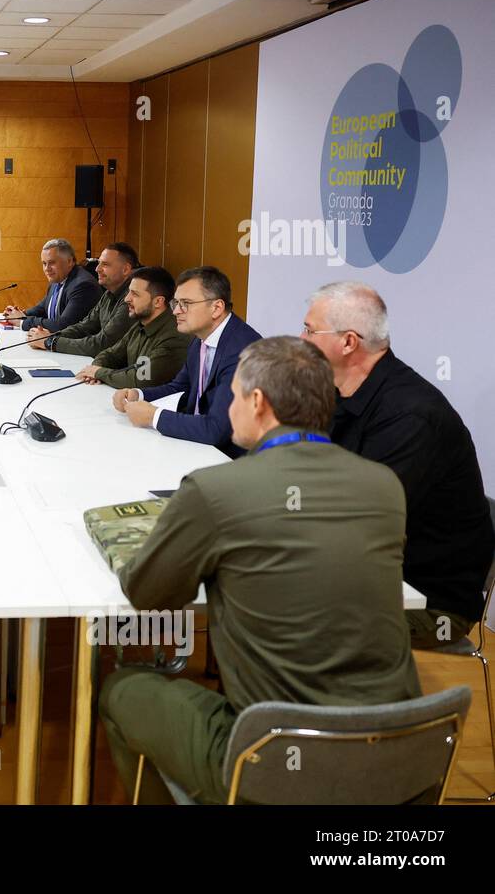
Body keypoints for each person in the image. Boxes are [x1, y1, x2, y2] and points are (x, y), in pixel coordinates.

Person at [100, 336, 421, 804]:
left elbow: (147, 595)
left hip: (274, 757)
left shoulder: (216, 489)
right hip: (401, 745)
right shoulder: (383, 485)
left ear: (257, 402)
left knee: (121, 688)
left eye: (231, 395)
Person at [302, 281, 494, 648]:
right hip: (370, 571)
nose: (301, 340)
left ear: (348, 342)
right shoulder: (342, 392)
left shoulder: (410, 415)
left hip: (428, 602)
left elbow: (356, 517)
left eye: (310, 331)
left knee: (276, 605)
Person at [111, 266, 262, 458]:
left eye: (186, 303)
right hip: (197, 446)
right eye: (176, 302)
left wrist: (153, 416)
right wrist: (138, 395)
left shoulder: (243, 350)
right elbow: (179, 386)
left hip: (228, 458)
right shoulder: (200, 339)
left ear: (216, 308)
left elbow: (216, 429)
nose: (175, 311)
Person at [76, 266, 188, 389]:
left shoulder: (174, 336)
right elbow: (110, 355)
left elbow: (140, 379)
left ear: (158, 302)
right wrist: (95, 369)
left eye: (135, 294)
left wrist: (98, 372)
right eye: (129, 292)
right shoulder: (141, 324)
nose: (126, 299)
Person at [41, 242, 138, 356]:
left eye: (105, 264)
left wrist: (51, 342)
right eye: (98, 263)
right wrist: (51, 337)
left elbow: (101, 344)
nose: (97, 269)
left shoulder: (131, 300)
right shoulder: (108, 294)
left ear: (125, 269)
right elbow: (84, 326)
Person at [3, 238, 100, 340]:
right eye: (44, 263)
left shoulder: (83, 285)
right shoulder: (58, 279)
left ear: (69, 261)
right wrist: (19, 314)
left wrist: (23, 322)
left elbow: (63, 325)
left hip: (78, 350)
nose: (47, 269)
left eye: (52, 263)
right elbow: (42, 308)